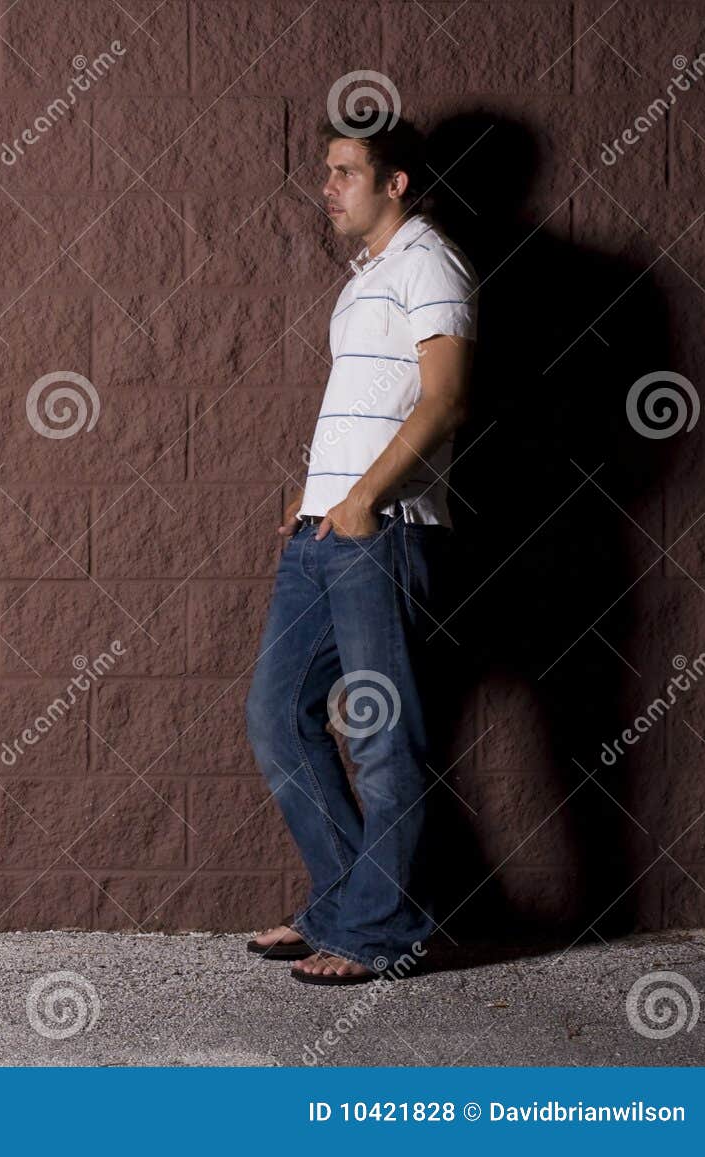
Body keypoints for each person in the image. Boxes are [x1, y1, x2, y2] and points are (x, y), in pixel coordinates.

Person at [243, 112, 478, 985]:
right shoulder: (364, 279)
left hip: (382, 532)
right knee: (277, 716)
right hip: (326, 530)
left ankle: (378, 932)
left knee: (384, 739)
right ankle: (352, 905)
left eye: (345, 172)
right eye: (328, 170)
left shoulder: (431, 262)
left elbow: (446, 398)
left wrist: (364, 499)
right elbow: (371, 401)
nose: (327, 187)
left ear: (395, 184)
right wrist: (319, 496)